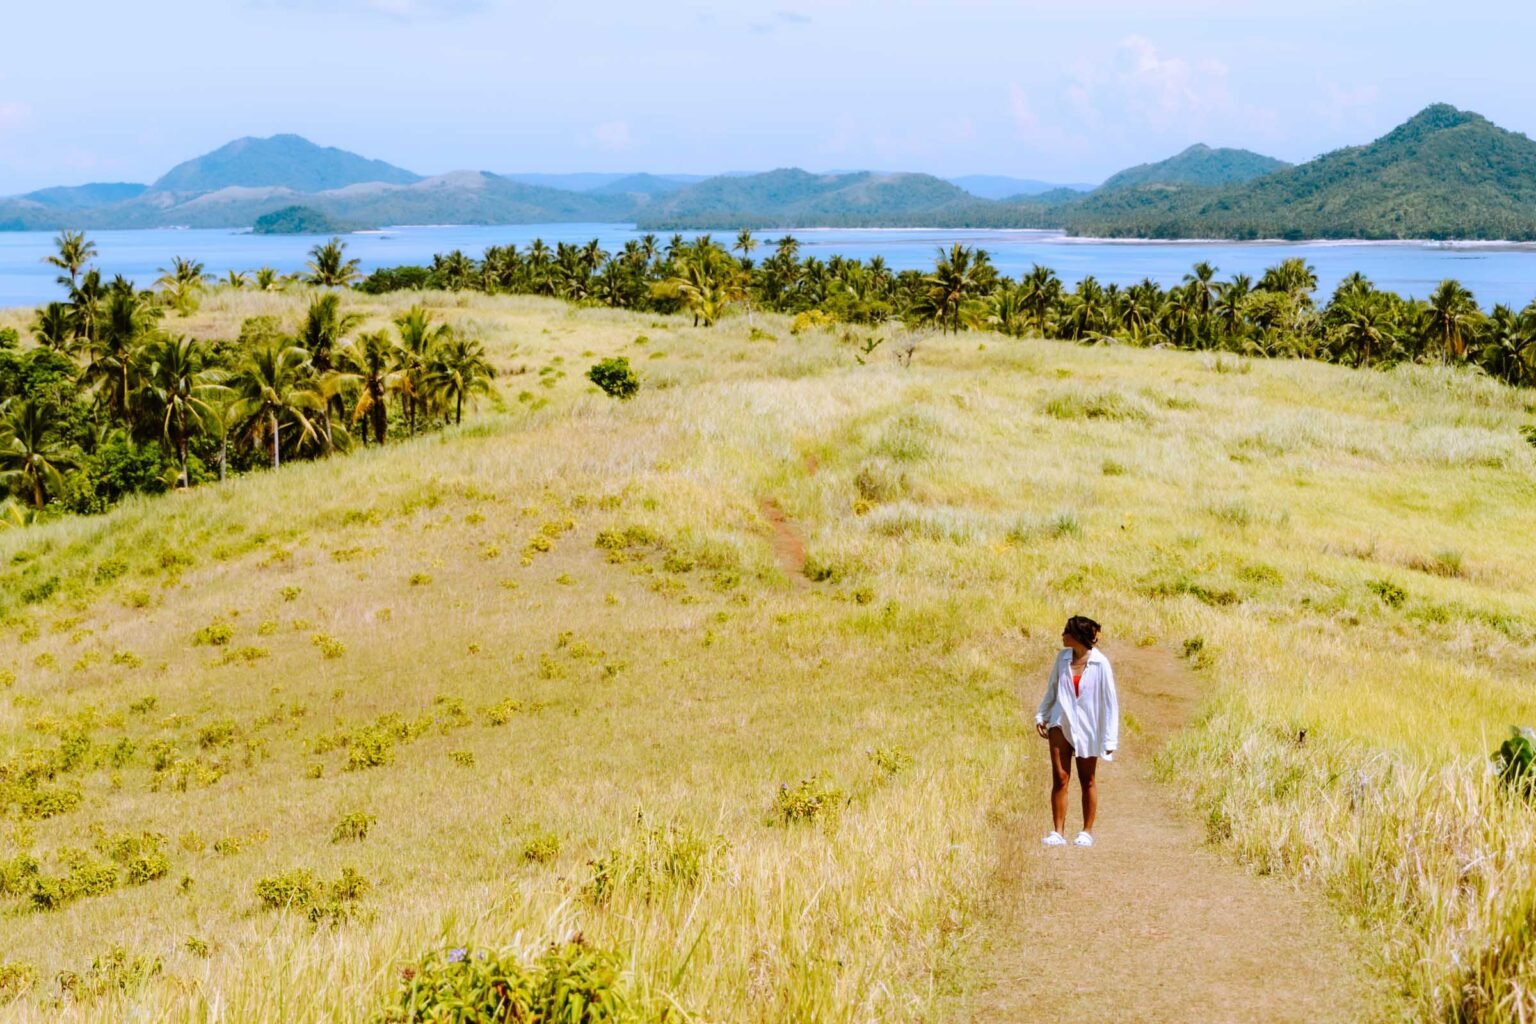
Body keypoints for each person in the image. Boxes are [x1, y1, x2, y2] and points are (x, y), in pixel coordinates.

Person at [1034, 615, 1119, 848]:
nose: (1062, 635)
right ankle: (1058, 831)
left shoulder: (1101, 664)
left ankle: (1086, 831)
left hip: (1089, 727)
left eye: (1066, 632)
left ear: (1077, 636)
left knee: (1087, 778)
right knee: (1060, 778)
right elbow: (1052, 689)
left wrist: (1110, 736)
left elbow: (1110, 702)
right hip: (1061, 721)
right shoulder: (1061, 659)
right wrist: (1042, 714)